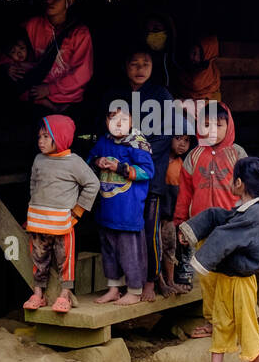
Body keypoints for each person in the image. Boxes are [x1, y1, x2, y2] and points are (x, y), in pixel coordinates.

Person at [179, 157, 259, 362]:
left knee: (247, 329)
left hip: (242, 282)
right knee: (220, 323)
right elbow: (220, 218)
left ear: (239, 183)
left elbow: (224, 235)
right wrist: (191, 232)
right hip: (225, 278)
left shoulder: (254, 214)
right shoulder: (244, 209)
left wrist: (199, 261)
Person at [103, 47, 182, 299]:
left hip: (150, 176)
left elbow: (164, 136)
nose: (139, 69)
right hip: (119, 178)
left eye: (145, 64)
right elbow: (105, 130)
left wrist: (137, 154)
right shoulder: (116, 94)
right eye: (134, 63)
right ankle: (126, 282)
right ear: (125, 65)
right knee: (122, 230)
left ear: (153, 66)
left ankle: (149, 281)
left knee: (150, 230)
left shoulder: (161, 95)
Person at [173, 102, 246, 337]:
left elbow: (251, 191)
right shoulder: (193, 156)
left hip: (232, 227)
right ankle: (212, 321)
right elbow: (185, 194)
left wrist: (251, 221)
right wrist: (181, 223)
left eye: (218, 124)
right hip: (203, 228)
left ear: (229, 125)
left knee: (233, 274)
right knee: (206, 277)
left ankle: (237, 319)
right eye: (205, 125)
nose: (212, 129)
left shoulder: (238, 154)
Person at [23, 115, 99, 313]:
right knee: (38, 259)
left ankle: (64, 294)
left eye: (47, 137)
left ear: (61, 137)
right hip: (38, 221)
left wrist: (78, 211)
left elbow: (93, 184)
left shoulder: (74, 162)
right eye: (39, 136)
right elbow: (33, 183)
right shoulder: (39, 159)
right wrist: (33, 208)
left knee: (65, 259)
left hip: (62, 223)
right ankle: (38, 293)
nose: (41, 141)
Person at [87, 106, 154, 306]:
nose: (118, 123)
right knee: (108, 251)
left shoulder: (137, 144)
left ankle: (134, 290)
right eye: (112, 118)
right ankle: (113, 288)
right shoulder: (103, 141)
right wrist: (97, 161)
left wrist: (120, 167)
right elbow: (89, 160)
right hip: (107, 207)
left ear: (132, 121)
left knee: (130, 252)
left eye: (124, 118)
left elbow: (147, 172)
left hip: (128, 210)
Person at [8, 0, 93, 112]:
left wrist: (50, 89)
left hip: (68, 102)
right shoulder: (33, 25)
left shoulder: (79, 33)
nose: (49, 0)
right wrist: (7, 65)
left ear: (70, 1)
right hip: (36, 96)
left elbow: (82, 73)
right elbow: (6, 43)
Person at [160, 132, 194, 294]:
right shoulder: (159, 159)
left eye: (187, 140)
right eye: (178, 138)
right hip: (156, 214)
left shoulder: (183, 165)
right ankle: (159, 281)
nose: (182, 144)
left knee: (170, 247)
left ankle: (171, 280)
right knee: (157, 248)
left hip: (172, 216)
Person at [172, 34, 221, 103]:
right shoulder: (183, 70)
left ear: (207, 56)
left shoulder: (213, 79)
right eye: (192, 52)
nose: (193, 57)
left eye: (199, 55)